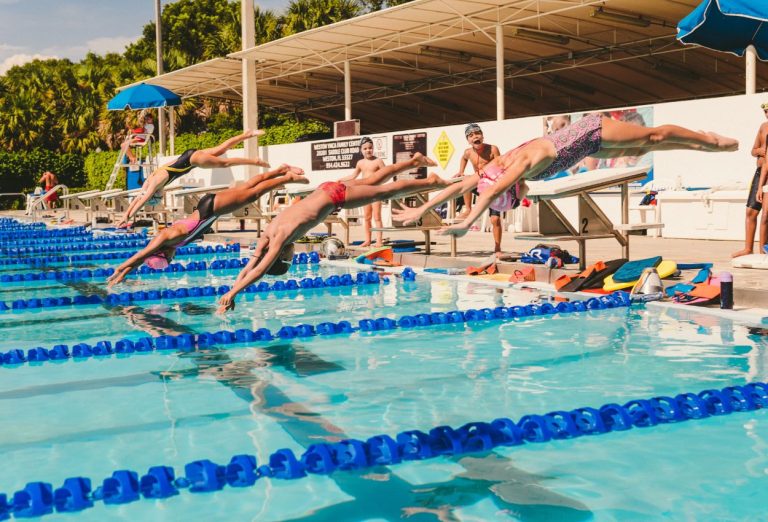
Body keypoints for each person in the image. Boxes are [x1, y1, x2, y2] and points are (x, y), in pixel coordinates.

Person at [393, 114, 738, 236]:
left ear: (512, 189)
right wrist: (421, 210)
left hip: (590, 133)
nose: (521, 193)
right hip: (587, 149)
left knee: (653, 137)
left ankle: (707, 138)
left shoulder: (519, 167)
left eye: (515, 197)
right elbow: (457, 188)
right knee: (645, 149)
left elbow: (486, 193)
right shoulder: (492, 172)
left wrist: (469, 220)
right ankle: (699, 144)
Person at [217, 153, 443, 313]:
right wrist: (230, 293)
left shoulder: (280, 240)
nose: (293, 255)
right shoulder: (267, 235)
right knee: (374, 179)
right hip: (324, 189)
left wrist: (234, 294)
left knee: (382, 192)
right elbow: (250, 266)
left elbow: (259, 271)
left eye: (290, 259)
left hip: (334, 198)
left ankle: (429, 181)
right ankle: (413, 160)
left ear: (283, 257)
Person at [107, 164, 306, 287]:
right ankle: (281, 170)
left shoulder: (166, 238)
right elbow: (142, 259)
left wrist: (119, 269)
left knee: (253, 193)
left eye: (169, 259)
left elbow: (141, 255)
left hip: (211, 208)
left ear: (164, 254)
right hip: (211, 209)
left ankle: (287, 177)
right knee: (247, 188)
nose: (172, 258)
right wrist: (123, 274)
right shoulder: (171, 243)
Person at [118, 129, 271, 228]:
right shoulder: (149, 180)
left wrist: (130, 215)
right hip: (189, 154)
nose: (161, 195)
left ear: (155, 194)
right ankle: (247, 134)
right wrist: (127, 215)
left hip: (193, 161)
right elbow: (139, 197)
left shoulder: (158, 182)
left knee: (225, 163)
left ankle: (255, 161)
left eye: (158, 196)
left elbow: (143, 199)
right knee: (221, 149)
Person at [457, 123, 503, 255]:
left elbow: (500, 164)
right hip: (480, 185)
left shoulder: (493, 149)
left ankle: (498, 248)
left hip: (493, 186)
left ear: (482, 136)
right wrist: (461, 171)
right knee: (465, 180)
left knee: (495, 220)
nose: (475, 137)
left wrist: (486, 169)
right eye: (471, 135)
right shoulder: (468, 152)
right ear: (468, 140)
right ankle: (468, 209)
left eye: (477, 134)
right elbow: (464, 158)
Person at [732, 103, 768, 258]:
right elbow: (753, 151)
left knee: (766, 215)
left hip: (767, 174)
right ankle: (748, 248)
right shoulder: (763, 127)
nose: (767, 114)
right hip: (760, 173)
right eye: (765, 111)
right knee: (750, 211)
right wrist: (761, 151)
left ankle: (763, 250)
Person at [340, 137, 387, 247]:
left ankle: (379, 240)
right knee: (367, 217)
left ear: (373, 148)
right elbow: (353, 175)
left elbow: (386, 174)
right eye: (365, 148)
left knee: (377, 217)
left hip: (376, 192)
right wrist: (341, 180)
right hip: (365, 192)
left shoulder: (378, 161)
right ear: (361, 150)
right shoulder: (360, 163)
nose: (368, 150)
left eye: (370, 148)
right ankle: (368, 240)